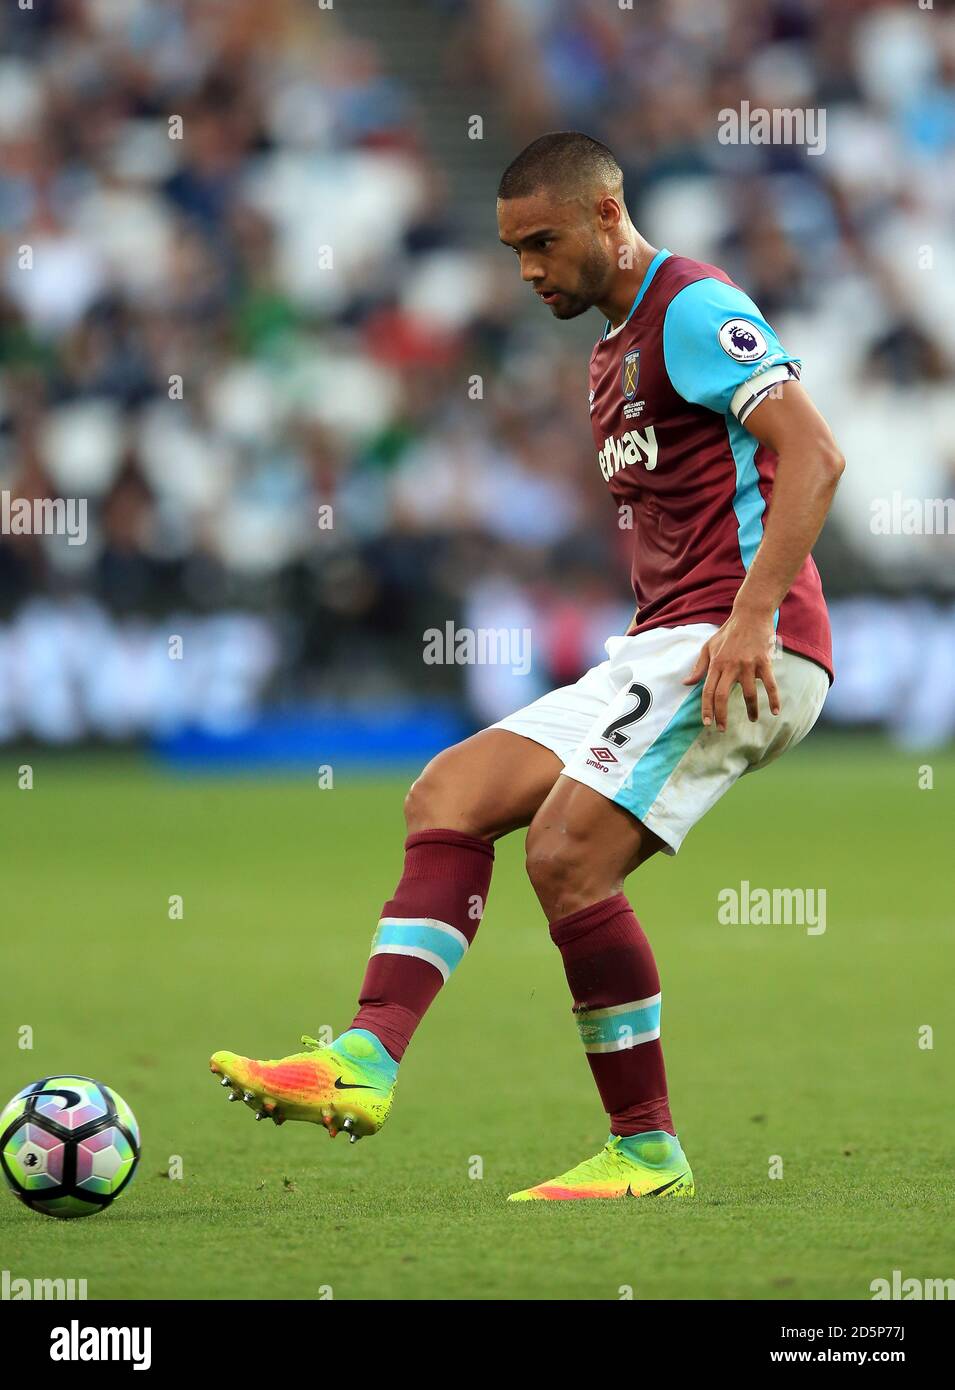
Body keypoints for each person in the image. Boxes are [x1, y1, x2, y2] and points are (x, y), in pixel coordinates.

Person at [210, 132, 844, 1201]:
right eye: (513, 253)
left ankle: (646, 1150)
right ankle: (362, 1061)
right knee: (448, 792)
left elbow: (816, 453)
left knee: (563, 856)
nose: (529, 271)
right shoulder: (605, 358)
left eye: (542, 243)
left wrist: (750, 616)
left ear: (606, 215)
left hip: (746, 642)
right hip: (665, 641)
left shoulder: (689, 305)